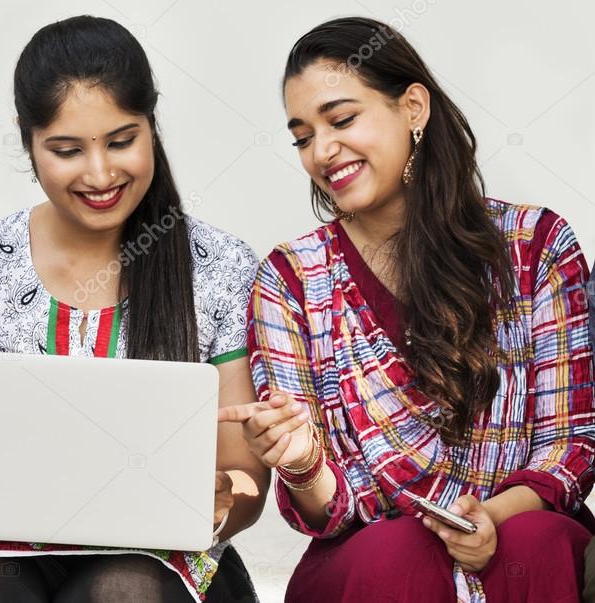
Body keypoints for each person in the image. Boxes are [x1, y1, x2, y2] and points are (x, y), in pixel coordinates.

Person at [220, 16, 595, 602]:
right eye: (301, 136)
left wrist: (490, 517)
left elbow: (571, 443)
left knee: (537, 539)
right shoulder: (291, 280)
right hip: (373, 558)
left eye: (341, 119)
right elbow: (332, 509)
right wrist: (302, 463)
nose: (321, 151)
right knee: (396, 552)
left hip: (519, 533)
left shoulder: (536, 247)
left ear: (413, 107)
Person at [0, 15, 267, 603]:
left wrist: (219, 496)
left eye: (121, 141)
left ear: (151, 127)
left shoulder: (220, 267)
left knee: (123, 590)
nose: (101, 174)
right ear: (28, 142)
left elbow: (246, 479)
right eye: (67, 150)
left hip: (159, 563)